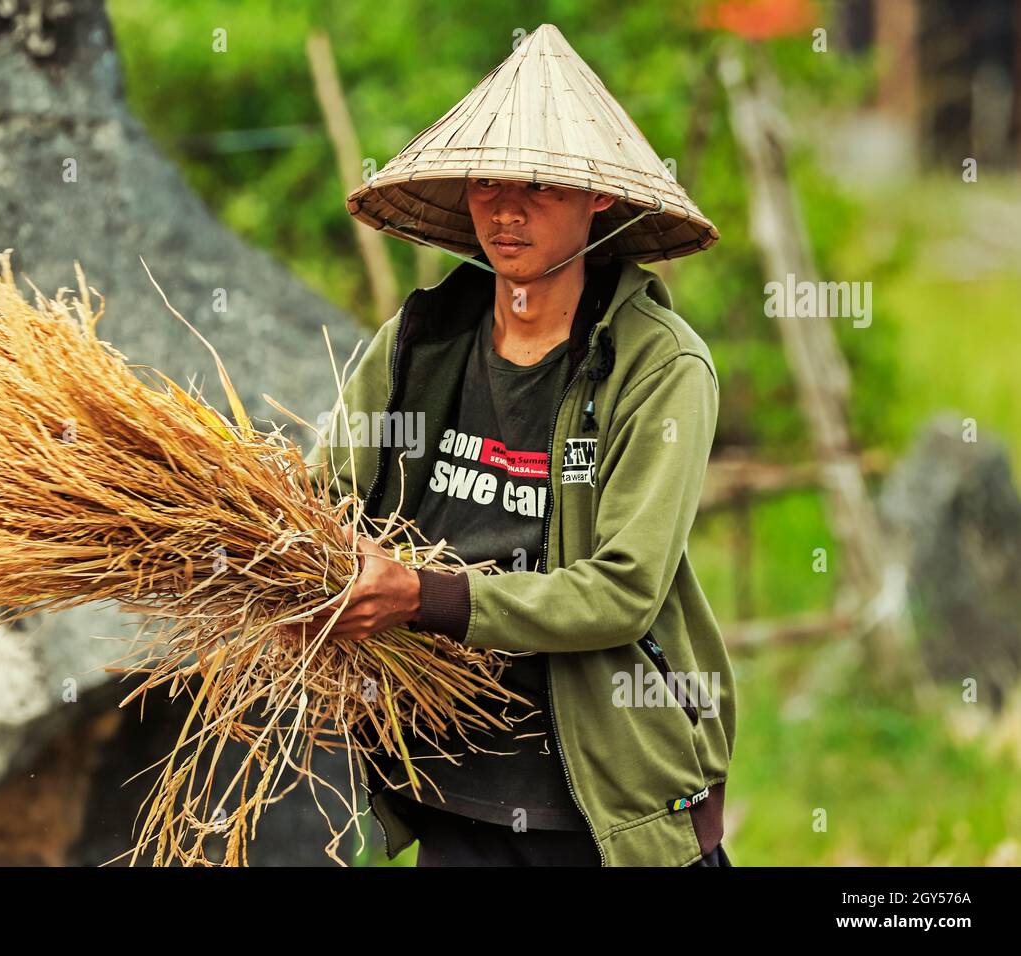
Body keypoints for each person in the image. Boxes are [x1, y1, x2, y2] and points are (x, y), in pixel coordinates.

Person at [303, 23, 735, 867]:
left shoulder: (657, 366)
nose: (506, 207)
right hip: (453, 789)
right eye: (488, 180)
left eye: (539, 184)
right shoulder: (421, 342)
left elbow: (623, 592)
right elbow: (325, 496)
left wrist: (425, 596)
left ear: (598, 199)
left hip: (603, 809)